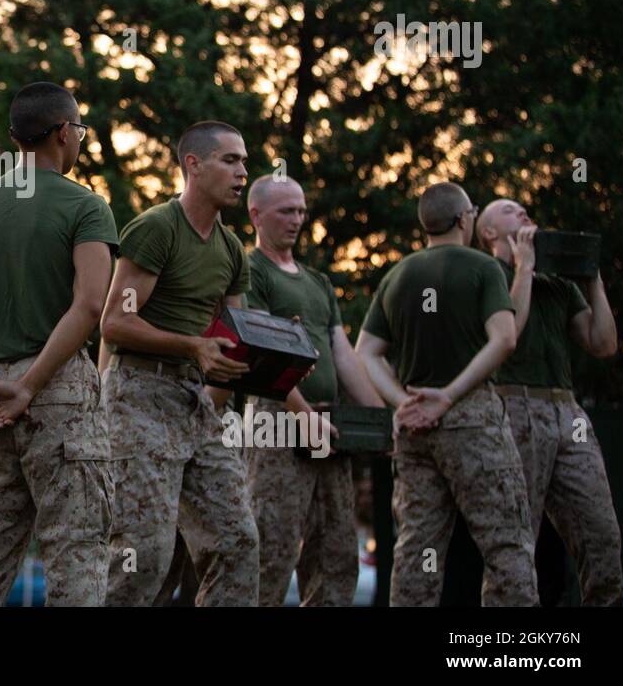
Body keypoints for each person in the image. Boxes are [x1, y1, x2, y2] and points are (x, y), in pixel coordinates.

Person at [0, 82, 117, 606]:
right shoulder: (86, 206)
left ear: (15, 138)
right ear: (64, 133)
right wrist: (29, 387)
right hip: (57, 393)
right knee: (76, 553)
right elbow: (88, 305)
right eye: (78, 131)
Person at [99, 121, 260, 606]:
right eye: (230, 160)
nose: (242, 172)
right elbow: (114, 323)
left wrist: (282, 355)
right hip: (137, 398)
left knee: (237, 543)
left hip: (194, 404)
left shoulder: (232, 249)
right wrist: (193, 345)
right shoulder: (156, 229)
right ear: (193, 164)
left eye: (245, 162)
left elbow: (237, 335)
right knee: (142, 555)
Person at [355, 181, 538, 606]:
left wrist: (403, 403)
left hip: (416, 430)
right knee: (505, 543)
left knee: (418, 548)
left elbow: (366, 351)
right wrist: (450, 396)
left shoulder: (398, 276)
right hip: (472, 421)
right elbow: (505, 339)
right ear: (463, 218)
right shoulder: (482, 268)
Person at [243, 175, 387, 606]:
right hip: (279, 425)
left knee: (336, 553)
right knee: (272, 549)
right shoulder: (253, 270)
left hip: (330, 426)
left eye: (301, 210)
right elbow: (260, 354)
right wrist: (304, 416)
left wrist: (382, 420)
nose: (297, 219)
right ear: (256, 214)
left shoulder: (319, 282)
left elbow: (343, 355)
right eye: (286, 210)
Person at [475, 199, 623, 605]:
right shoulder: (488, 274)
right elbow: (510, 335)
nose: (522, 212)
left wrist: (592, 278)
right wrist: (523, 267)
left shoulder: (559, 284)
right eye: (509, 210)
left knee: (602, 535)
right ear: (488, 232)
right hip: (513, 408)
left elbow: (603, 343)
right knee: (514, 538)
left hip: (566, 412)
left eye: (524, 208)